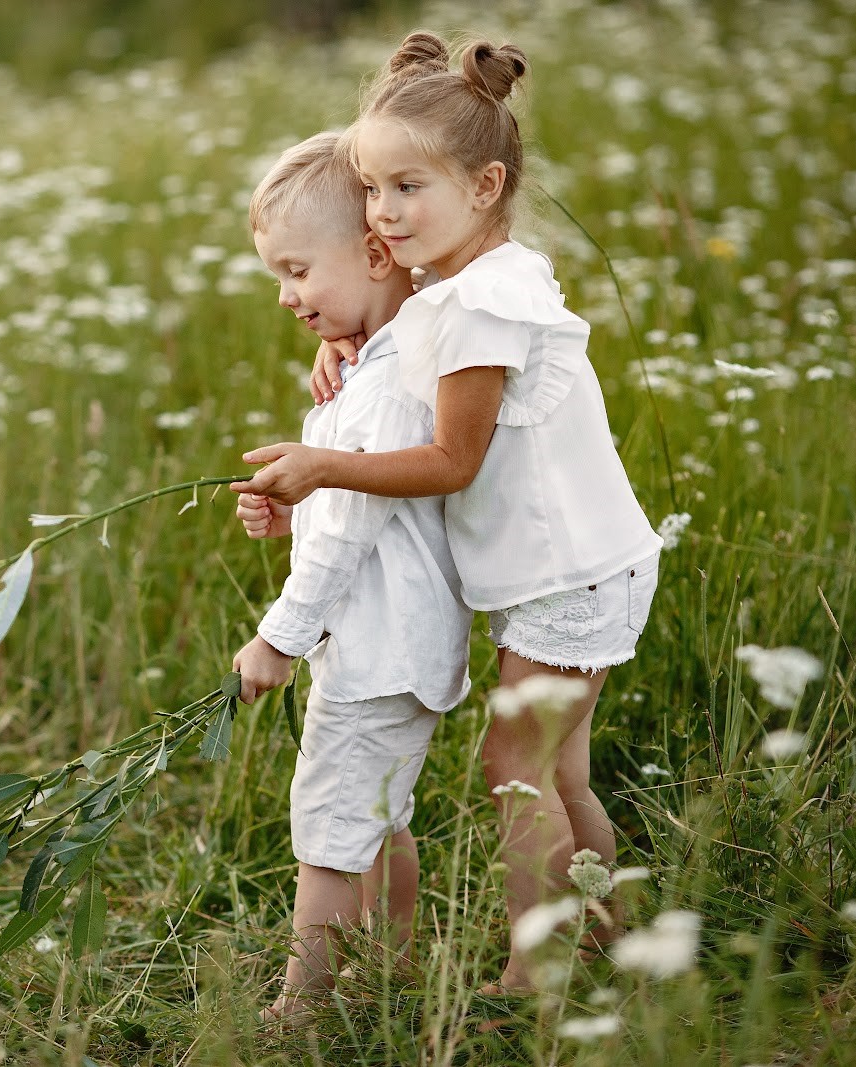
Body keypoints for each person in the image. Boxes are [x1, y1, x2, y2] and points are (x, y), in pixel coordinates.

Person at [231, 31, 663, 994]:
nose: (383, 218)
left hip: (568, 573)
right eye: (374, 192)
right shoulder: (468, 281)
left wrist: (324, 463)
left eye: (406, 189)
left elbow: (451, 459)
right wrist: (346, 349)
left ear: (484, 184)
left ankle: (536, 972)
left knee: (516, 769)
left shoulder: (477, 308)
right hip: (571, 564)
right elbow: (402, 326)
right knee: (560, 776)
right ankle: (611, 941)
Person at [230, 128, 472, 1022]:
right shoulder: (379, 362)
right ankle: (395, 970)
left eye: (297, 270)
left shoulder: (379, 384)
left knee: (330, 827)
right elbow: (358, 508)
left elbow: (347, 534)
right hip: (399, 642)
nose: (287, 296)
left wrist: (276, 639)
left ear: (375, 252)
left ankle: (302, 1006)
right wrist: (291, 507)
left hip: (373, 651)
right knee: (379, 813)